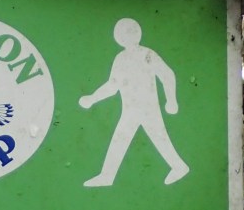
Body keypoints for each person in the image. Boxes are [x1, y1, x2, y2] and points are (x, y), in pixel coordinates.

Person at [79, 17, 189, 187]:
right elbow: (112, 85)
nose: (127, 37)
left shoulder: (148, 54)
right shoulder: (120, 59)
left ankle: (179, 166)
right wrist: (92, 98)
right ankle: (107, 176)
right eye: (123, 34)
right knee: (122, 139)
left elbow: (167, 74)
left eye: (130, 32)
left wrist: (171, 100)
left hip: (148, 108)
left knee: (158, 138)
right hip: (130, 109)